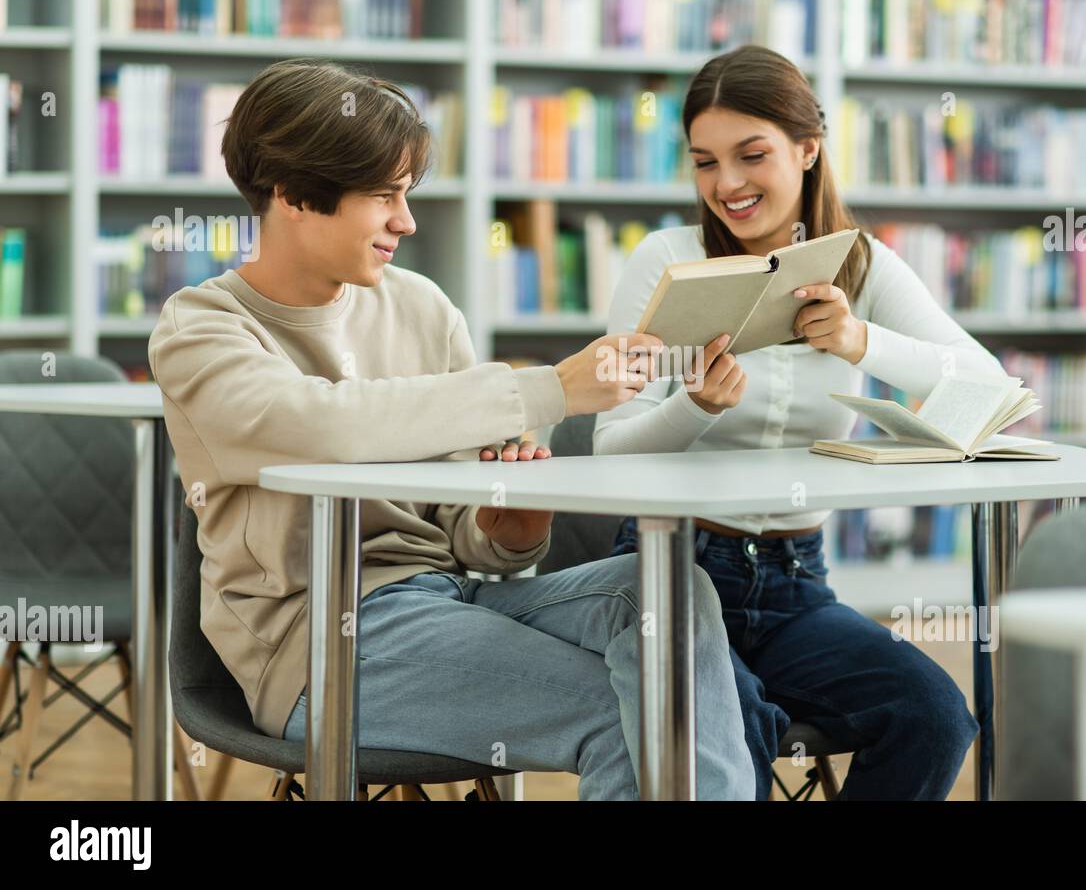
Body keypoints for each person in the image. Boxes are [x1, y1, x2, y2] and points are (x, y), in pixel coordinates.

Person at [148, 58, 754, 800]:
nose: (405, 220)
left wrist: (511, 522)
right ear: (291, 193)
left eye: (407, 194)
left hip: (448, 598)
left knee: (668, 594)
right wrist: (552, 388)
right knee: (624, 710)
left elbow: (465, 534)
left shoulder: (424, 308)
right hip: (317, 647)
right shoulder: (201, 328)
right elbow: (321, 425)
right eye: (383, 196)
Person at [595, 45, 1005, 800]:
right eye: (704, 162)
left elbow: (990, 390)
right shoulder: (665, 258)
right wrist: (693, 405)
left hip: (794, 583)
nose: (727, 184)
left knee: (935, 716)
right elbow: (609, 449)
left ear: (808, 149)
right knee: (730, 730)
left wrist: (862, 341)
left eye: (752, 155)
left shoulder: (865, 266)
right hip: (670, 573)